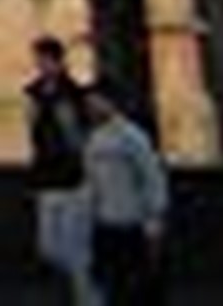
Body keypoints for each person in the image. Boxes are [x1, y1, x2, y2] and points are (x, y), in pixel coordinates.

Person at [80, 84, 169, 305]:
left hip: (132, 223)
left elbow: (152, 177)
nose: (91, 107)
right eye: (89, 104)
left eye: (96, 102)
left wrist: (154, 220)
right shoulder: (93, 138)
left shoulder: (132, 136)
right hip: (104, 223)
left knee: (139, 287)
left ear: (111, 102)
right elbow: (92, 182)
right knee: (112, 285)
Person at [26, 35, 98, 302]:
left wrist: (85, 167)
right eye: (38, 59)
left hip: (73, 178)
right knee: (49, 248)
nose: (40, 64)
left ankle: (89, 299)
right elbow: (34, 132)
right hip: (46, 177)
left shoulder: (73, 94)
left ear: (57, 61)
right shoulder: (34, 92)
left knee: (76, 249)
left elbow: (78, 137)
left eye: (44, 59)